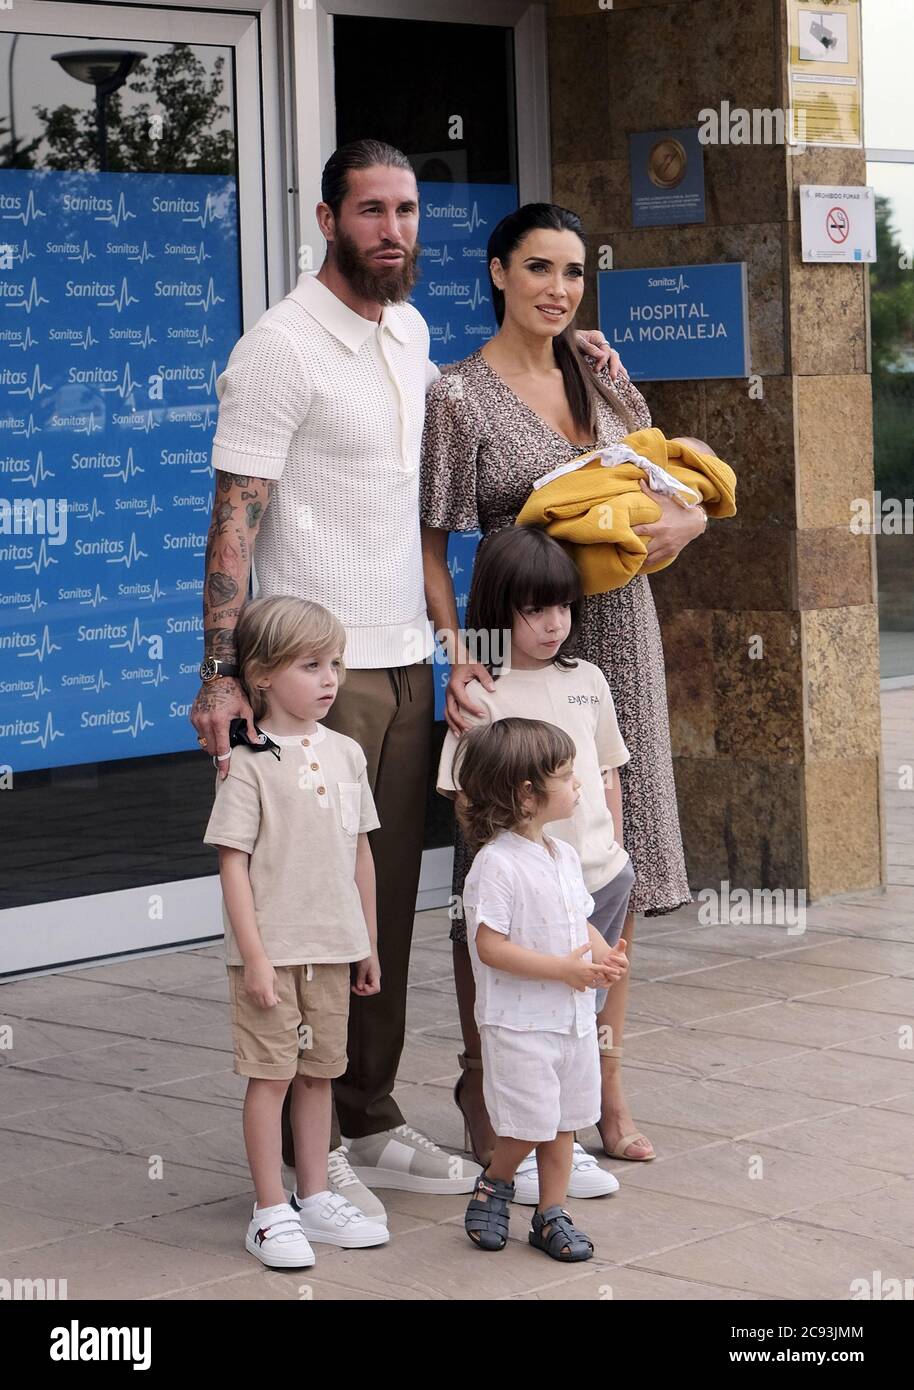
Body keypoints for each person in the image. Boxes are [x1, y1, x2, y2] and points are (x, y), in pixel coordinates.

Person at [191, 141, 620, 1216]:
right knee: (308, 912)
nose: (394, 229)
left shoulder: (413, 332)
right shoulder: (278, 348)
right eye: (372, 210)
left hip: (405, 666)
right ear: (330, 219)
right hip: (312, 673)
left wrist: (586, 359)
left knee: (379, 912)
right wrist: (222, 674)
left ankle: (366, 1112)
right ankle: (313, 1145)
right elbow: (232, 519)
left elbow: (439, 494)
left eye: (409, 210)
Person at [420, 201, 717, 1168]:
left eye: (575, 272)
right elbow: (431, 538)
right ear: (498, 271)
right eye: (539, 267)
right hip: (511, 635)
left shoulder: (599, 372)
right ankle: (487, 1083)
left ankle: (605, 1090)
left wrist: (693, 526)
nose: (558, 288)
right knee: (502, 875)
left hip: (617, 637)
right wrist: (458, 647)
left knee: (604, 875)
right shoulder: (457, 394)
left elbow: (669, 482)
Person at [437, 526, 636, 1201]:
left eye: (563, 607)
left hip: (600, 878)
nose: (555, 624)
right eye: (535, 610)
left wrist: (614, 854)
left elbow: (607, 774)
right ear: (500, 608)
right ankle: (520, 1143)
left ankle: (568, 1138)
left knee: (582, 1016)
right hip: (525, 896)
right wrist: (507, 867)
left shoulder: (588, 680)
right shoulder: (481, 694)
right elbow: (468, 800)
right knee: (525, 1021)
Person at [202, 596, 389, 1266]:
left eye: (334, 662)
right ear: (262, 676)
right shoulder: (247, 762)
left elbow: (361, 852)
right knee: (271, 1077)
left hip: (333, 951)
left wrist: (366, 943)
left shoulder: (346, 753)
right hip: (273, 956)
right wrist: (253, 957)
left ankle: (314, 1196)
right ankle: (269, 1211)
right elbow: (233, 862)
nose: (330, 677)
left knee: (318, 1075)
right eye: (311, 665)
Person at [456, 719, 629, 1261]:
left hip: (571, 1022)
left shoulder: (563, 855)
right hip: (520, 1024)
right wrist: (563, 970)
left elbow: (581, 921)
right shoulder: (496, 864)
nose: (581, 783)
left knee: (562, 1126)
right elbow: (490, 946)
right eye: (566, 775)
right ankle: (496, 1180)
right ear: (526, 794)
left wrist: (603, 955)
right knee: (528, 1125)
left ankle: (551, 1214)